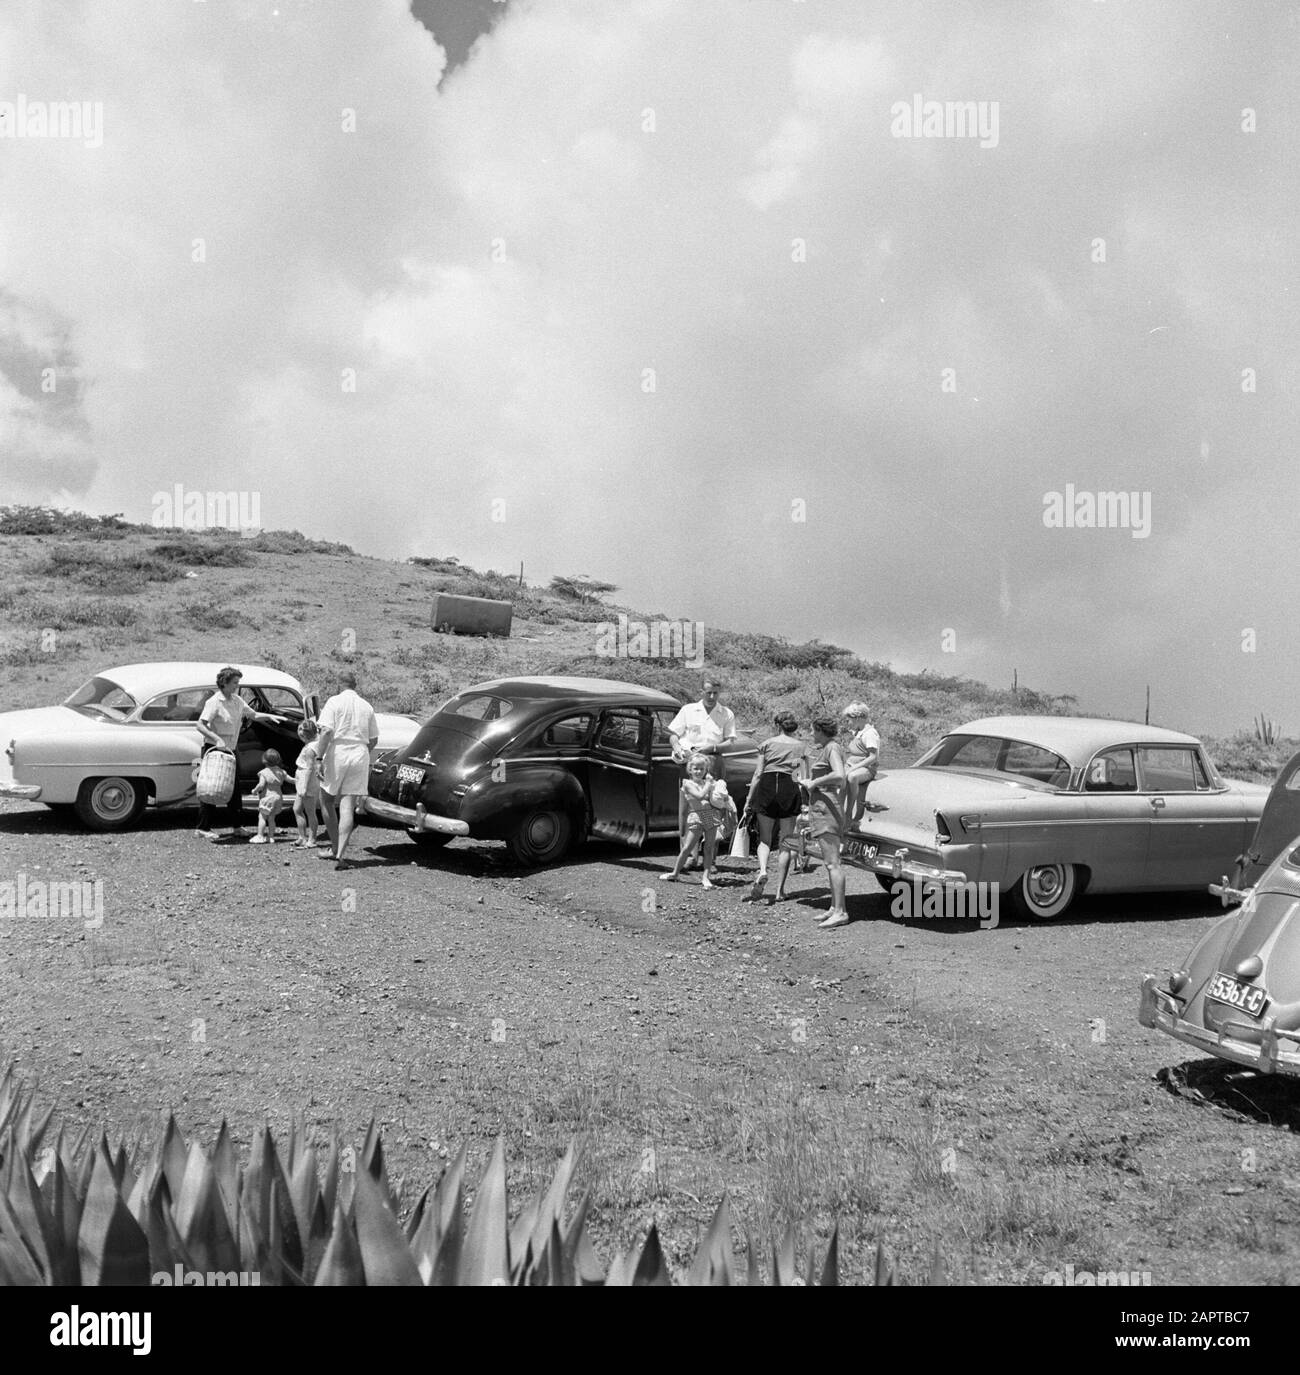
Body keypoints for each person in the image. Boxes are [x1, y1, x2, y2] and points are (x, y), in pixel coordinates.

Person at [194, 666, 287, 841]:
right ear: (225, 683)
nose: (237, 686)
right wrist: (216, 738)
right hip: (215, 750)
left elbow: (252, 714)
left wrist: (271, 717)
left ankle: (237, 826)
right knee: (212, 788)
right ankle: (202, 827)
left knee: (234, 788)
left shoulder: (236, 700)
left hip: (231, 749)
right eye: (235, 682)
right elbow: (200, 725)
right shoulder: (214, 702)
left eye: (238, 682)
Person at [740, 711, 807, 904]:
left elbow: (758, 774)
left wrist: (749, 800)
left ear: (777, 725)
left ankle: (762, 870)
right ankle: (780, 891)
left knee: (765, 839)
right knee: (786, 842)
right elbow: (801, 775)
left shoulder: (766, 744)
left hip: (768, 787)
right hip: (789, 786)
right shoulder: (802, 747)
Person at [668, 678, 736, 866]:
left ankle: (709, 856)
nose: (712, 696)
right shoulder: (688, 710)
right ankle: (689, 855)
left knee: (713, 806)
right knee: (687, 808)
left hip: (713, 761)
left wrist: (711, 748)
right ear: (701, 692)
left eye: (716, 692)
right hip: (690, 761)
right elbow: (674, 733)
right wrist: (677, 745)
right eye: (708, 692)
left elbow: (730, 741)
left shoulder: (726, 713)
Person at [315, 669, 379, 870]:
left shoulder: (334, 702)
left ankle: (334, 847)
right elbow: (374, 739)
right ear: (355, 686)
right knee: (347, 804)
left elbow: (326, 731)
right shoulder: (366, 706)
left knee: (325, 798)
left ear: (338, 685)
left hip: (339, 751)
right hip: (360, 752)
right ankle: (341, 854)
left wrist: (318, 757)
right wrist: (361, 752)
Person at [799, 716, 850, 928]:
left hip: (827, 811)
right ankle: (833, 907)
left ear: (820, 730)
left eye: (812, 730)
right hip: (822, 809)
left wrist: (814, 783)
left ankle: (841, 911)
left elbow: (840, 776)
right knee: (829, 863)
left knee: (832, 863)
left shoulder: (832, 748)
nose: (811, 734)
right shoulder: (827, 748)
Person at [660, 754, 725, 888]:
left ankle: (706, 878)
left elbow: (716, 798)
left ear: (706, 769)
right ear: (689, 769)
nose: (698, 771)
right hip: (696, 816)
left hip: (710, 815)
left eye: (702, 769)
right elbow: (700, 796)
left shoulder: (707, 783)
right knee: (687, 847)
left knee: (709, 848)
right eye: (695, 768)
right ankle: (675, 873)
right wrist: (709, 784)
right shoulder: (688, 784)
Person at [842, 701, 881, 829]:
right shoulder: (858, 731)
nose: (849, 723)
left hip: (866, 768)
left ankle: (851, 811)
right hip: (853, 764)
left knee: (852, 777)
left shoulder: (870, 733)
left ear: (858, 718)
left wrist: (854, 768)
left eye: (850, 720)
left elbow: (873, 757)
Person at [292, 720, 323, 848]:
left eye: (300, 730)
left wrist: (304, 786)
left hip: (307, 781)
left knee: (310, 811)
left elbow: (310, 768)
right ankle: (302, 836)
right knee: (297, 809)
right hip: (302, 780)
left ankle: (312, 838)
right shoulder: (313, 744)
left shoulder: (310, 749)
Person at [249, 750, 289, 844]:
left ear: (264, 760)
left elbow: (261, 785)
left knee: (262, 817)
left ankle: (260, 836)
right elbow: (291, 780)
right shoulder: (281, 772)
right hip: (278, 798)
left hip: (268, 798)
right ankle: (271, 837)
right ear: (278, 760)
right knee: (272, 818)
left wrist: (254, 791)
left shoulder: (264, 772)